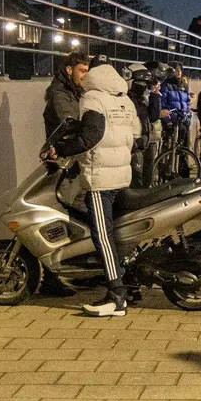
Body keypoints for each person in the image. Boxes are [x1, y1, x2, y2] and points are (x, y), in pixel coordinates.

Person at [46, 62, 142, 318]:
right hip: (122, 175)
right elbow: (137, 134)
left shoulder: (92, 98)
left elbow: (91, 137)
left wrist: (63, 150)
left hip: (100, 180)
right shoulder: (124, 99)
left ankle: (116, 296)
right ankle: (128, 286)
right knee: (118, 232)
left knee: (103, 236)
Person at [44, 50, 90, 139]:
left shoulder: (78, 90)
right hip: (63, 149)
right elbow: (71, 126)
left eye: (87, 72)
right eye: (82, 71)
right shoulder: (59, 94)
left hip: (74, 147)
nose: (86, 75)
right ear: (69, 70)